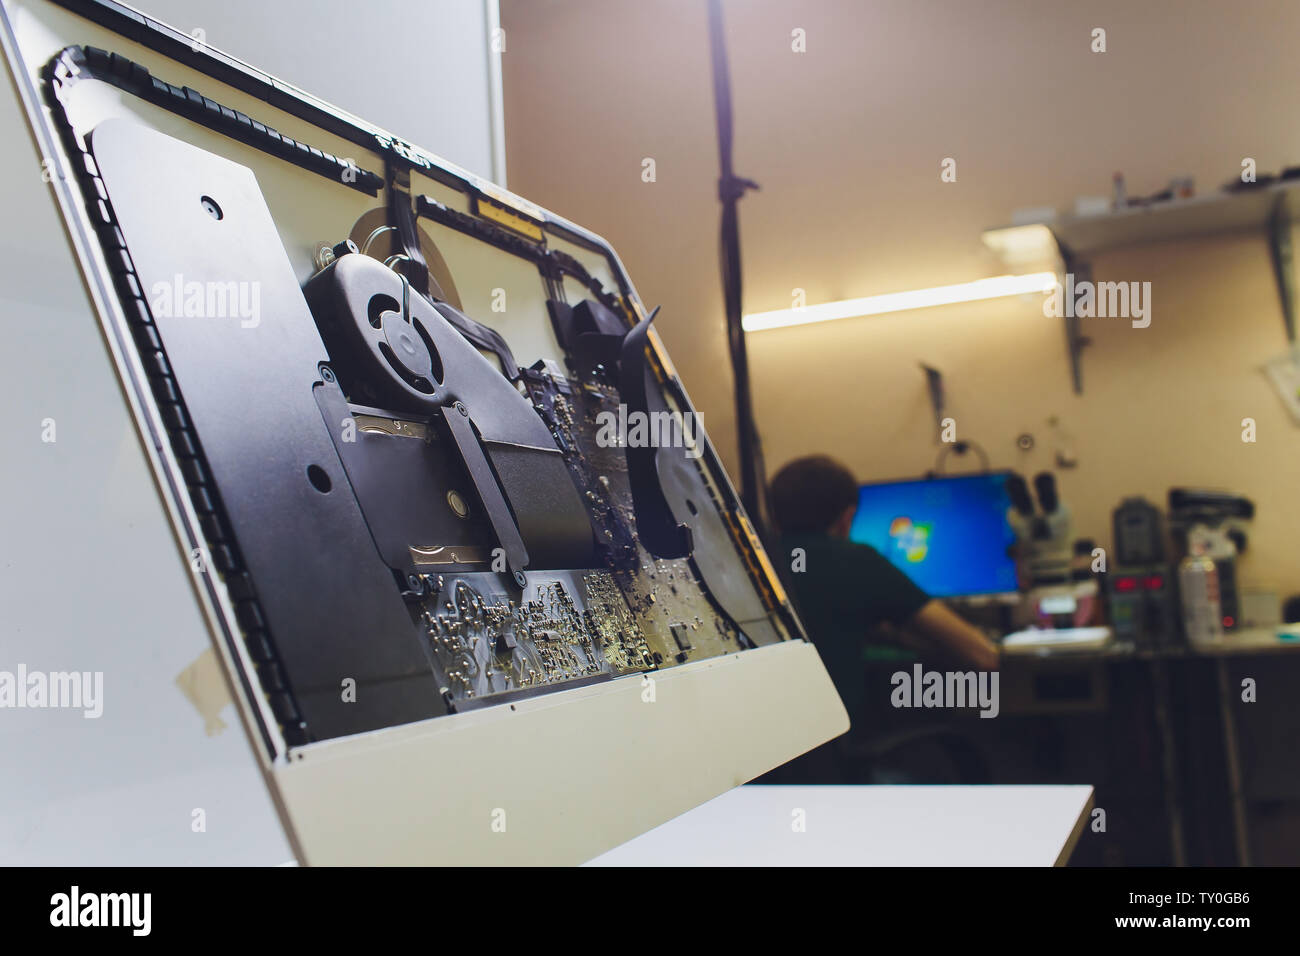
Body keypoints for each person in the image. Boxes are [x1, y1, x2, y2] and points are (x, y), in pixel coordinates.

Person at [763, 455, 1000, 782]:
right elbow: (983, 656)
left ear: (774, 515)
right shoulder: (855, 560)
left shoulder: (745, 562)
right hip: (834, 773)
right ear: (847, 518)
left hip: (756, 779)